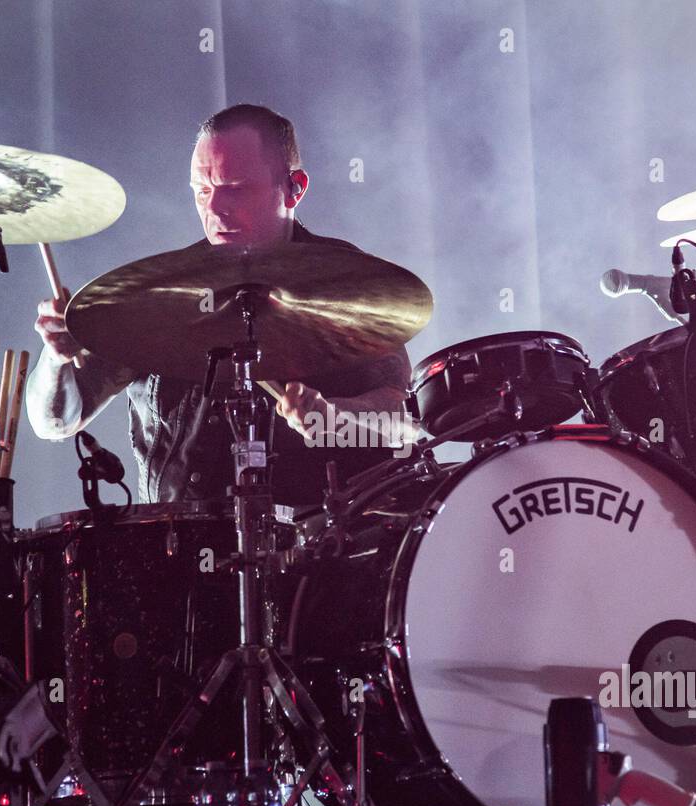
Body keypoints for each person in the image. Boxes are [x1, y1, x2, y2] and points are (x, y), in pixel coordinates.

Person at [25, 104, 413, 506]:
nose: (214, 209)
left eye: (235, 188)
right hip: (175, 550)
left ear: (295, 187)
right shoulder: (158, 295)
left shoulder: (348, 285)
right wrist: (55, 359)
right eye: (203, 191)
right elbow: (55, 424)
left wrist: (333, 416)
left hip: (318, 550)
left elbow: (406, 422)